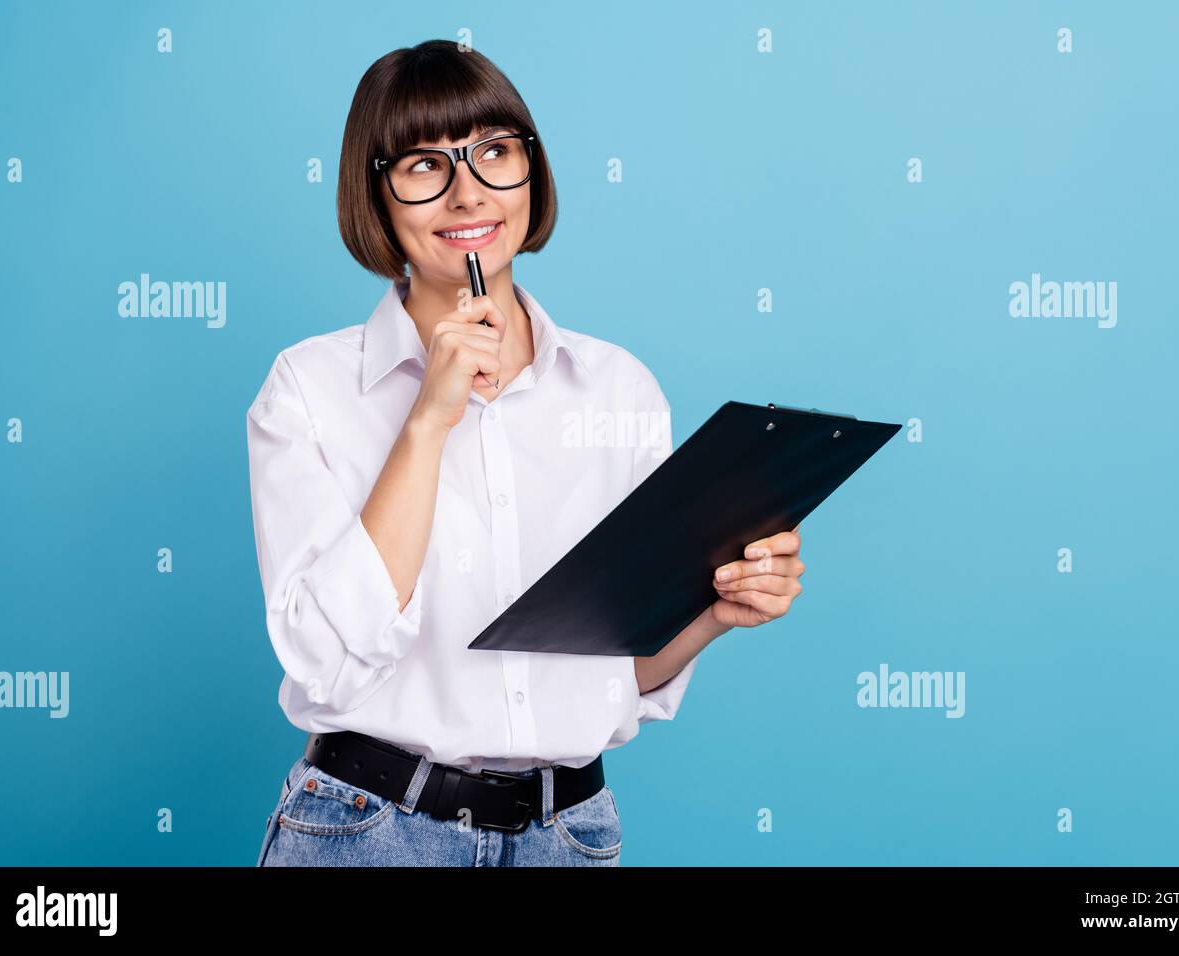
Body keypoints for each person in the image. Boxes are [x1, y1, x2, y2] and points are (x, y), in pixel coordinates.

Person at [247, 39, 806, 867]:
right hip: (369, 834)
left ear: (531, 171)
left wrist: (714, 615)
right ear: (377, 193)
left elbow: (626, 671)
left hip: (567, 836)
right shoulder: (310, 388)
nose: (468, 191)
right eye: (424, 166)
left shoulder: (618, 389)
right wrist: (427, 423)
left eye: (495, 153)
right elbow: (326, 664)